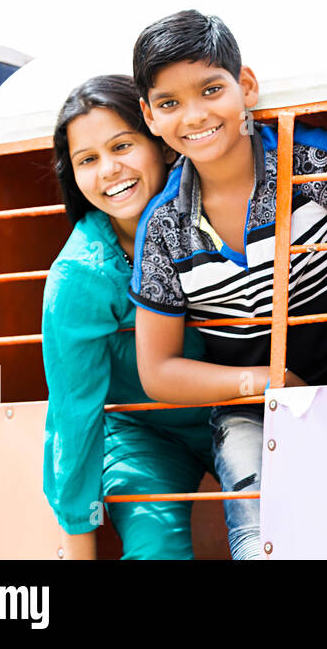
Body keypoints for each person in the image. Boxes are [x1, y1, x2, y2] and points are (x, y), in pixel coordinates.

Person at [129, 10, 327, 560]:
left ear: (245, 87)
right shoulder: (162, 228)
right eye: (169, 103)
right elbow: (157, 371)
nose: (195, 115)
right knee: (262, 544)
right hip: (250, 410)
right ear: (150, 116)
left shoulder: (312, 161)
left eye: (211, 89)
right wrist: (264, 381)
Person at [42, 75, 215, 559]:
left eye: (122, 145)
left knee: (282, 524)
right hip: (144, 431)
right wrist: (78, 544)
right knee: (154, 545)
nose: (110, 170)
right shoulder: (80, 276)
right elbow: (73, 414)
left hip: (241, 409)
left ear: (160, 142)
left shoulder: (219, 210)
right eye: (88, 160)